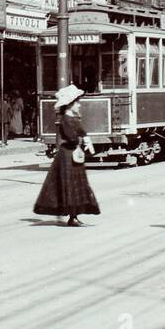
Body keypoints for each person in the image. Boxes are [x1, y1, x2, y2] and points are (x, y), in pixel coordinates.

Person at [33, 84, 101, 226]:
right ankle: (73, 217)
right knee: (71, 185)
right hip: (68, 155)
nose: (79, 105)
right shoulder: (66, 119)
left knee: (75, 184)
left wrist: (86, 137)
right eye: (77, 102)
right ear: (70, 104)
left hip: (72, 155)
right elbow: (71, 137)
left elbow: (80, 130)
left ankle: (74, 216)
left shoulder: (72, 118)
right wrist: (82, 140)